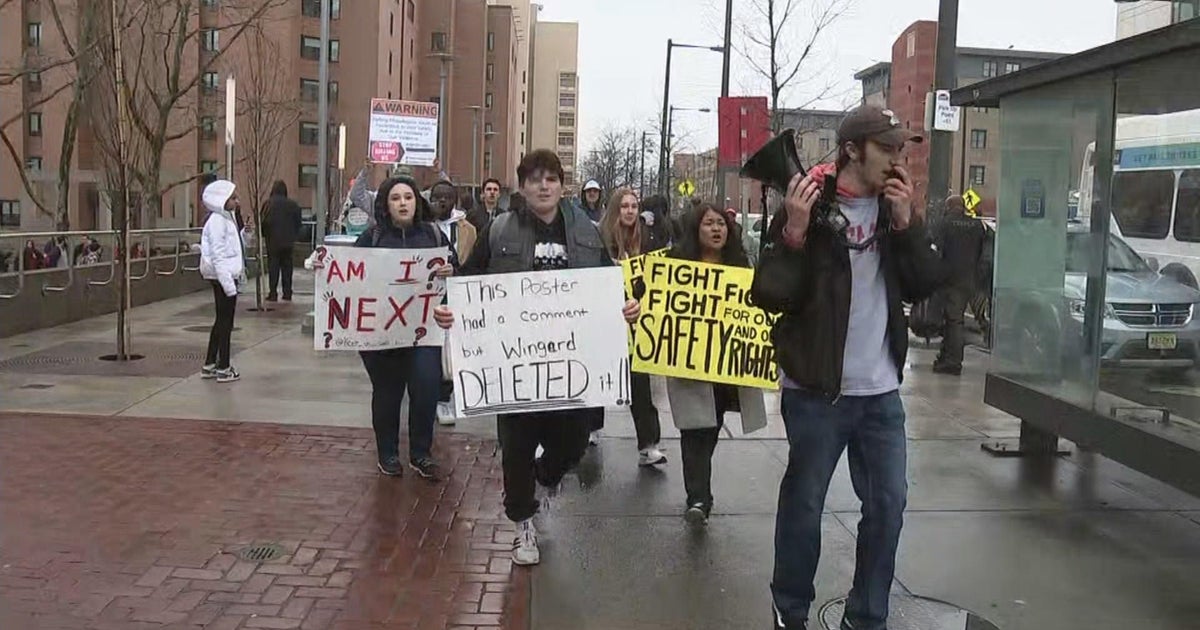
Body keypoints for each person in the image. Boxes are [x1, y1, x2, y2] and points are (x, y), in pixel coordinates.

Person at [754, 105, 942, 630]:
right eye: (887, 149)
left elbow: (927, 283)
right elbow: (769, 294)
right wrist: (791, 232)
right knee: (805, 506)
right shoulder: (806, 205)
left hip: (881, 393)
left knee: (889, 504)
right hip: (815, 390)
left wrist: (906, 226)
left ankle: (866, 616)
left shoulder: (893, 210)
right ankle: (790, 611)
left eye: (902, 149)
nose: (897, 160)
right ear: (853, 150)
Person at [431, 149, 640, 567]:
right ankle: (523, 522)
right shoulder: (500, 230)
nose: (543, 186)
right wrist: (447, 307)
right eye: (534, 179)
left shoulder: (586, 230)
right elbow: (469, 282)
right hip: (515, 364)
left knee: (574, 440)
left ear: (563, 186)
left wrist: (625, 307)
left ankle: (547, 478)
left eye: (551, 179)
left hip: (572, 365)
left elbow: (606, 284)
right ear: (522, 187)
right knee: (517, 448)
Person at [322, 175, 452, 479]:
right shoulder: (373, 237)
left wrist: (451, 270)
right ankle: (388, 454)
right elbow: (346, 273)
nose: (403, 203)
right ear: (386, 205)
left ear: (417, 202)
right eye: (396, 198)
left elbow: (456, 273)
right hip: (381, 333)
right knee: (387, 394)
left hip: (423, 333)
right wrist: (322, 267)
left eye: (408, 197)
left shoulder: (433, 236)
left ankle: (421, 454)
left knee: (426, 391)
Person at [664, 203, 759, 523]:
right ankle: (699, 498)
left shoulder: (740, 266)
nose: (717, 229)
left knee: (711, 426)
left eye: (721, 223)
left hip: (724, 366)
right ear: (696, 229)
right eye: (709, 224)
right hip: (689, 363)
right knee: (694, 430)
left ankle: (699, 491)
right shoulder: (677, 264)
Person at [598, 187, 667, 468]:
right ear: (616, 208)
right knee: (599, 376)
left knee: (640, 383)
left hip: (638, 323)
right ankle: (590, 427)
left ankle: (648, 444)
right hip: (605, 319)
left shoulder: (648, 239)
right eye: (624, 206)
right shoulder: (600, 239)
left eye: (634, 206)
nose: (629, 211)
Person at [428, 179, 478, 426]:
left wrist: (456, 272)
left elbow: (472, 264)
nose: (441, 201)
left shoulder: (467, 229)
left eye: (447, 197)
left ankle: (444, 399)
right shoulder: (422, 226)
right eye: (437, 197)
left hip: (454, 295)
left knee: (448, 353)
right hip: (424, 296)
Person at [199, 179, 247, 383]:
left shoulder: (226, 219)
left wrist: (247, 232)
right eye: (233, 197)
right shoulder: (218, 222)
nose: (237, 201)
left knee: (221, 320)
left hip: (223, 275)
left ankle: (210, 363)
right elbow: (218, 255)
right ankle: (224, 366)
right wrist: (230, 286)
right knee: (225, 322)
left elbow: (234, 246)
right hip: (223, 277)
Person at [933, 194, 987, 375]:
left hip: (952, 279)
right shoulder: (977, 225)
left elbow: (937, 250)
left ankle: (952, 361)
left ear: (949, 207)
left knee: (954, 321)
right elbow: (983, 251)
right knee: (973, 319)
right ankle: (947, 356)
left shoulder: (945, 224)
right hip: (972, 280)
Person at [261, 180, 303, 301]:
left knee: (273, 267)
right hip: (288, 242)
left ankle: (273, 292)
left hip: (273, 241)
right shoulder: (293, 205)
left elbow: (263, 222)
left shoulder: (268, 204)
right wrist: (294, 235)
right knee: (287, 267)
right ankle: (287, 292)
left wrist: (264, 235)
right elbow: (298, 223)